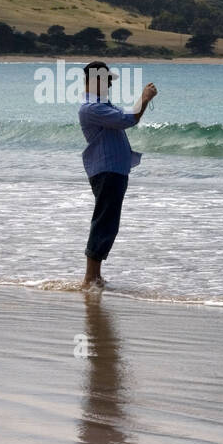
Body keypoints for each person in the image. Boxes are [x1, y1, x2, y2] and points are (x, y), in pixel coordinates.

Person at [79, 61, 157, 290]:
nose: (110, 85)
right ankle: (89, 278)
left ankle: (95, 276)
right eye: (107, 81)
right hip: (107, 170)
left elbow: (123, 117)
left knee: (107, 221)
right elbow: (128, 119)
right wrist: (145, 98)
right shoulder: (92, 107)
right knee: (105, 221)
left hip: (112, 169)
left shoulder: (99, 104)